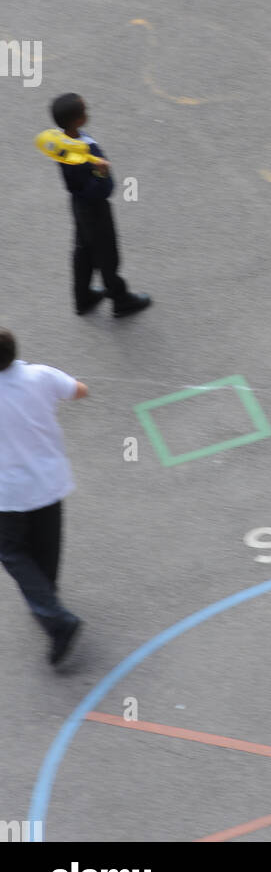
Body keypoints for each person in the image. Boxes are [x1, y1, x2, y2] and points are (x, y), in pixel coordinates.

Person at [0, 330, 87, 665]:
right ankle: (46, 600)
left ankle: (54, 615)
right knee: (47, 544)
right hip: (49, 481)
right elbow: (79, 390)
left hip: (9, 492)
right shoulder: (40, 375)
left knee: (11, 552)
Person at [49, 93, 151, 318]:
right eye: (85, 111)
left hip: (78, 206)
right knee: (108, 255)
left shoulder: (60, 142)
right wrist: (102, 174)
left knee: (83, 250)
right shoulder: (85, 152)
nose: (88, 113)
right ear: (77, 121)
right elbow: (100, 190)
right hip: (94, 209)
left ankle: (82, 296)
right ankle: (120, 299)